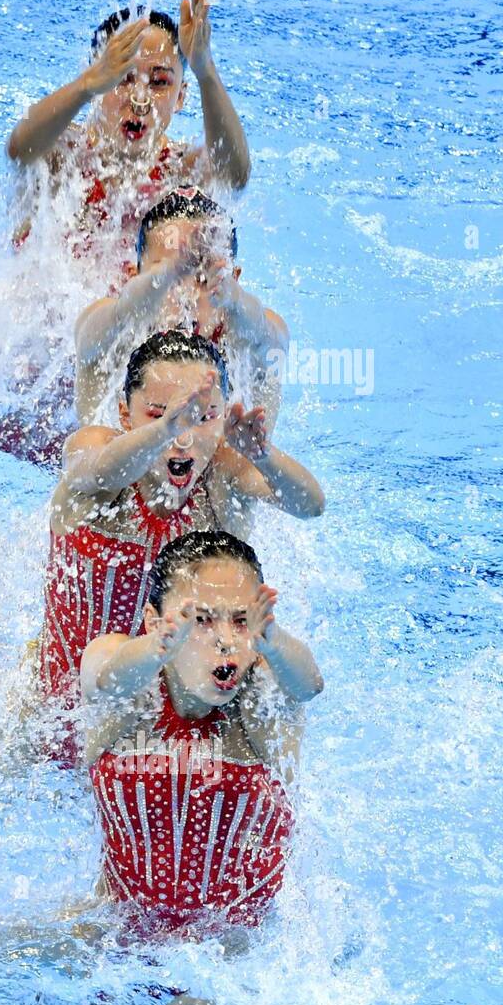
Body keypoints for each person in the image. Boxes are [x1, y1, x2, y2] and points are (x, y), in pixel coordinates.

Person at [36, 330, 323, 766]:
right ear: (124, 415)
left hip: (157, 724)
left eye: (203, 417)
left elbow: (311, 506)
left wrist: (264, 455)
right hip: (56, 702)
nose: (184, 438)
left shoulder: (223, 475)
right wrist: (164, 429)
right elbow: (91, 471)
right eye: (160, 414)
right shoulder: (94, 452)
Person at [0, 0, 251, 466]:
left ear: (181, 95)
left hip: (130, 394)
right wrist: (88, 85)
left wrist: (207, 71)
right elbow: (19, 150)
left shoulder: (183, 171)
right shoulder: (61, 156)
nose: (138, 98)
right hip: (33, 390)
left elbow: (233, 174)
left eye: (159, 82)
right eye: (122, 78)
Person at [78, 530, 323, 939]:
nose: (225, 640)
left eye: (242, 620)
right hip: (113, 936)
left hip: (233, 955)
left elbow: (310, 686)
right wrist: (158, 647)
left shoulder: (262, 697)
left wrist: (274, 644)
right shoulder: (130, 689)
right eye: (201, 620)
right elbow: (104, 680)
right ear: (155, 622)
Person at [75, 189, 289, 429]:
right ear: (133, 279)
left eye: (204, 277)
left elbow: (265, 336)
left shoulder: (246, 338)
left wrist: (234, 299)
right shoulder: (112, 334)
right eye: (170, 280)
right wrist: (165, 273)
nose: (187, 296)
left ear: (233, 281)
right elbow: (119, 314)